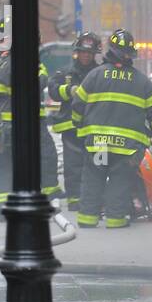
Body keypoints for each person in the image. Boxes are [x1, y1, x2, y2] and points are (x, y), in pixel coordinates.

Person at [71, 29, 152, 229]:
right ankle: (115, 219)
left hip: (99, 145)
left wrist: (78, 123)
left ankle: (87, 218)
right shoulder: (142, 82)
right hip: (126, 149)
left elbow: (78, 104)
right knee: (119, 179)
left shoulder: (94, 76)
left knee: (94, 176)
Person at [0, 45, 60, 213]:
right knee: (46, 156)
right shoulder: (28, 64)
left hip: (2, 124)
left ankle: (4, 205)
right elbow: (42, 80)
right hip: (27, 123)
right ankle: (47, 197)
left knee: (6, 163)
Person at [48, 32, 100, 211]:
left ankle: (96, 197)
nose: (86, 55)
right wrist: (68, 90)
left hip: (95, 128)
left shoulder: (100, 73)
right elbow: (53, 90)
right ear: (77, 52)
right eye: (83, 52)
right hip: (71, 129)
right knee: (73, 165)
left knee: (98, 163)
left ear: (94, 54)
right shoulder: (65, 73)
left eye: (89, 52)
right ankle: (74, 199)